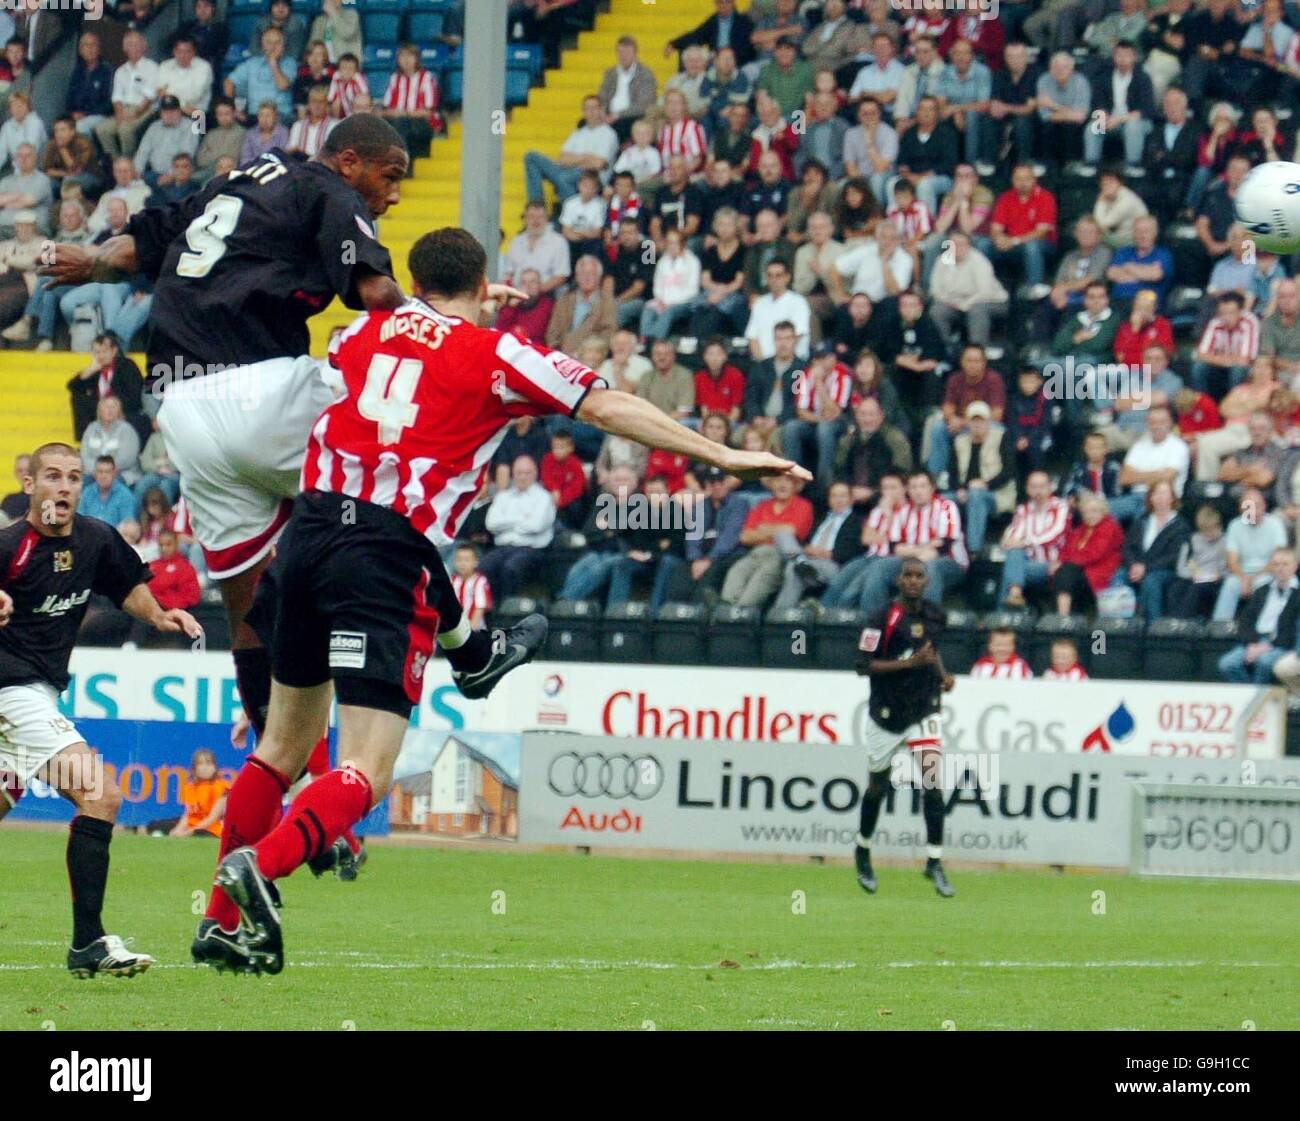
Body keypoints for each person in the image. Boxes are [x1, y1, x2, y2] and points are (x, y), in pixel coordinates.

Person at [210, 228, 808, 973]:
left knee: (281, 748)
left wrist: (455, 306)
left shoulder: (358, 331)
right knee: (368, 767)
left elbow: (412, 336)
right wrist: (720, 453)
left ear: (416, 276)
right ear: (484, 280)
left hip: (306, 534)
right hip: (382, 554)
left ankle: (219, 920)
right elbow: (607, 404)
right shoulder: (497, 355)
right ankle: (260, 866)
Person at [41, 114, 414, 957]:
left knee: (247, 608)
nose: (390, 195)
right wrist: (456, 329)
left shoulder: (235, 180)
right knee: (401, 463)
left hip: (180, 410)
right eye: (386, 177)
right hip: (263, 389)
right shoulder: (324, 186)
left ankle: (276, 781)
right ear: (349, 159)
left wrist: (93, 258)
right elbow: (373, 293)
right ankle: (458, 642)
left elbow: (155, 231)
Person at [0, 443, 201, 976]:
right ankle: (88, 941)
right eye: (52, 476)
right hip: (10, 694)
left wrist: (158, 617)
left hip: (33, 695)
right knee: (100, 792)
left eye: (72, 477)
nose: (63, 486)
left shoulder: (96, 538)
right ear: (30, 486)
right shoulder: (8, 547)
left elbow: (126, 585)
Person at [852, 557, 956, 898]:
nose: (913, 581)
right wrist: (910, 663)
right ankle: (863, 851)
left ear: (927, 582)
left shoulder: (936, 615)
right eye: (907, 575)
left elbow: (931, 651)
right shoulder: (880, 617)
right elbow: (862, 666)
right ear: (898, 580)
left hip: (924, 709)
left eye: (919, 576)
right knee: (877, 788)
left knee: (933, 785)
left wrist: (942, 676)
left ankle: (934, 862)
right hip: (886, 713)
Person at [1218, 548, 1300, 683]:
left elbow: (1293, 631)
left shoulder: (1297, 594)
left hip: (1280, 645)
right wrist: (1252, 644)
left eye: (1285, 564)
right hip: (1256, 641)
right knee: (1227, 663)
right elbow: (1246, 620)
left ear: (1295, 566)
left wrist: (1267, 647)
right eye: (1276, 564)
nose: (1280, 568)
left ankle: (1258, 699)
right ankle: (1248, 695)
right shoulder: (1262, 591)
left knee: (1264, 662)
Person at [997, 470, 1070, 607]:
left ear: (1050, 488)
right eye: (1034, 487)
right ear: (1027, 489)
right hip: (1028, 564)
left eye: (1042, 487)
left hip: (1053, 564)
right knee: (1014, 555)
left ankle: (1002, 618)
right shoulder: (1022, 510)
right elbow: (1012, 536)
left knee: (1010, 569)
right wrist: (1011, 541)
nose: (1038, 491)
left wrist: (1025, 542)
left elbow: (1055, 535)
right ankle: (1015, 595)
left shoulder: (1061, 506)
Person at [1051, 492, 1124, 616]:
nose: (1090, 515)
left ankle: (1062, 616)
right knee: (1064, 572)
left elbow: (1095, 554)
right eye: (1086, 512)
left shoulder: (1110, 526)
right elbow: (1066, 549)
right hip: (1078, 571)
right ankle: (1065, 616)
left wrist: (1065, 562)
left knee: (1066, 571)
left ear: (1103, 511)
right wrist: (1059, 561)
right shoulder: (1080, 529)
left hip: (1098, 571)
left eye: (1094, 511)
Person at [147, 748, 227, 838]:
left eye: (209, 764)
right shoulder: (190, 787)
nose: (205, 767)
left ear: (215, 768)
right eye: (200, 764)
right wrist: (177, 829)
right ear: (194, 769)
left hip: (211, 828)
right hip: (192, 824)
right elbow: (188, 814)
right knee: (154, 825)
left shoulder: (222, 787)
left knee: (198, 833)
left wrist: (190, 831)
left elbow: (212, 819)